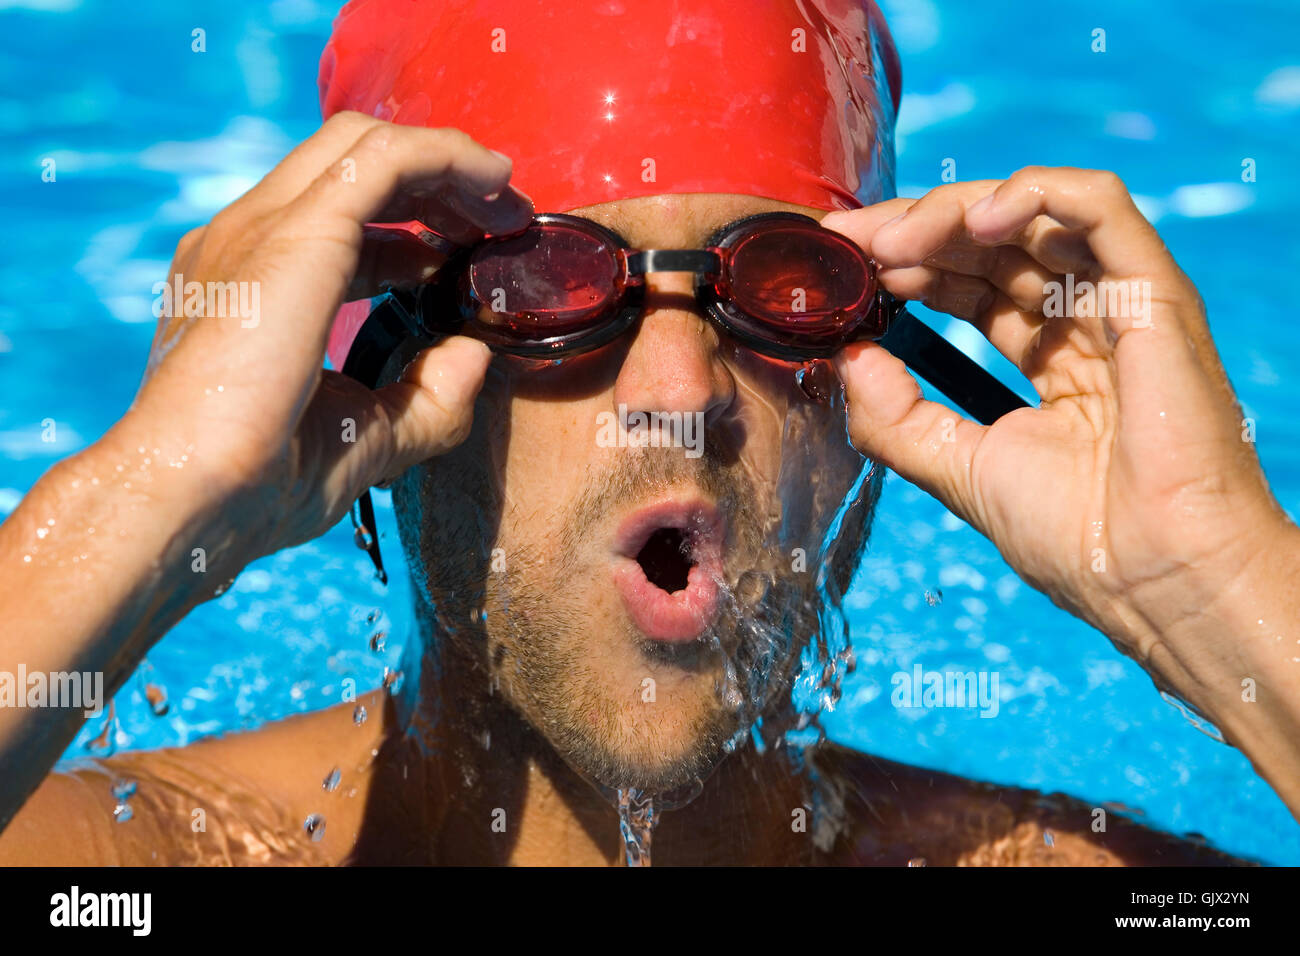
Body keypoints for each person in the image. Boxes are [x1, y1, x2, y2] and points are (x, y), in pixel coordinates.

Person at [1, 0, 1296, 866]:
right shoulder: (129, 860)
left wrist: (1217, 587)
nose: (683, 387)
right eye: (546, 285)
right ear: (379, 367)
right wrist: (154, 495)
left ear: (867, 400)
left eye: (786, 292)